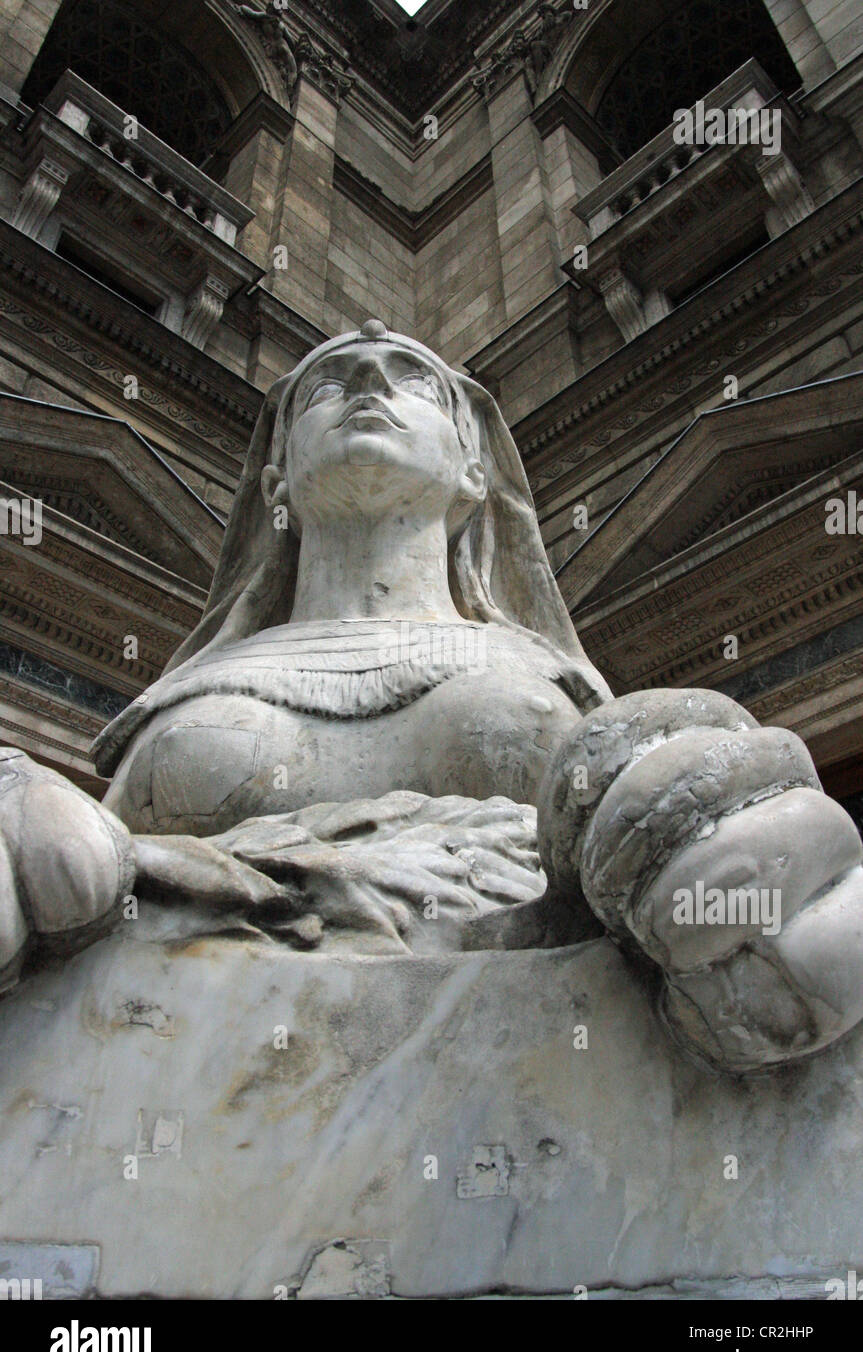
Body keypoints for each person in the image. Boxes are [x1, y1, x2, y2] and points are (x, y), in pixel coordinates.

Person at [2, 320, 862, 1072]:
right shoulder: (187, 688)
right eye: (325, 386)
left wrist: (707, 832)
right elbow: (86, 875)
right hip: (175, 1060)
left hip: (528, 1054)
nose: (369, 384)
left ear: (473, 476)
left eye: (413, 379)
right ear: (274, 486)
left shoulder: (551, 676)